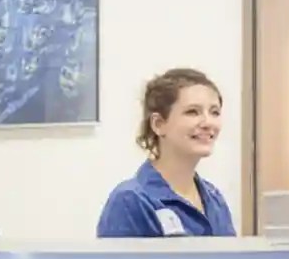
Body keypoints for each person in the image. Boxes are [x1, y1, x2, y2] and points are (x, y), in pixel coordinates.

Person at [97, 68, 236, 238]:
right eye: (192, 112)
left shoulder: (214, 199)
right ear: (159, 124)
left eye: (214, 112)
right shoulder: (130, 201)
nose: (208, 123)